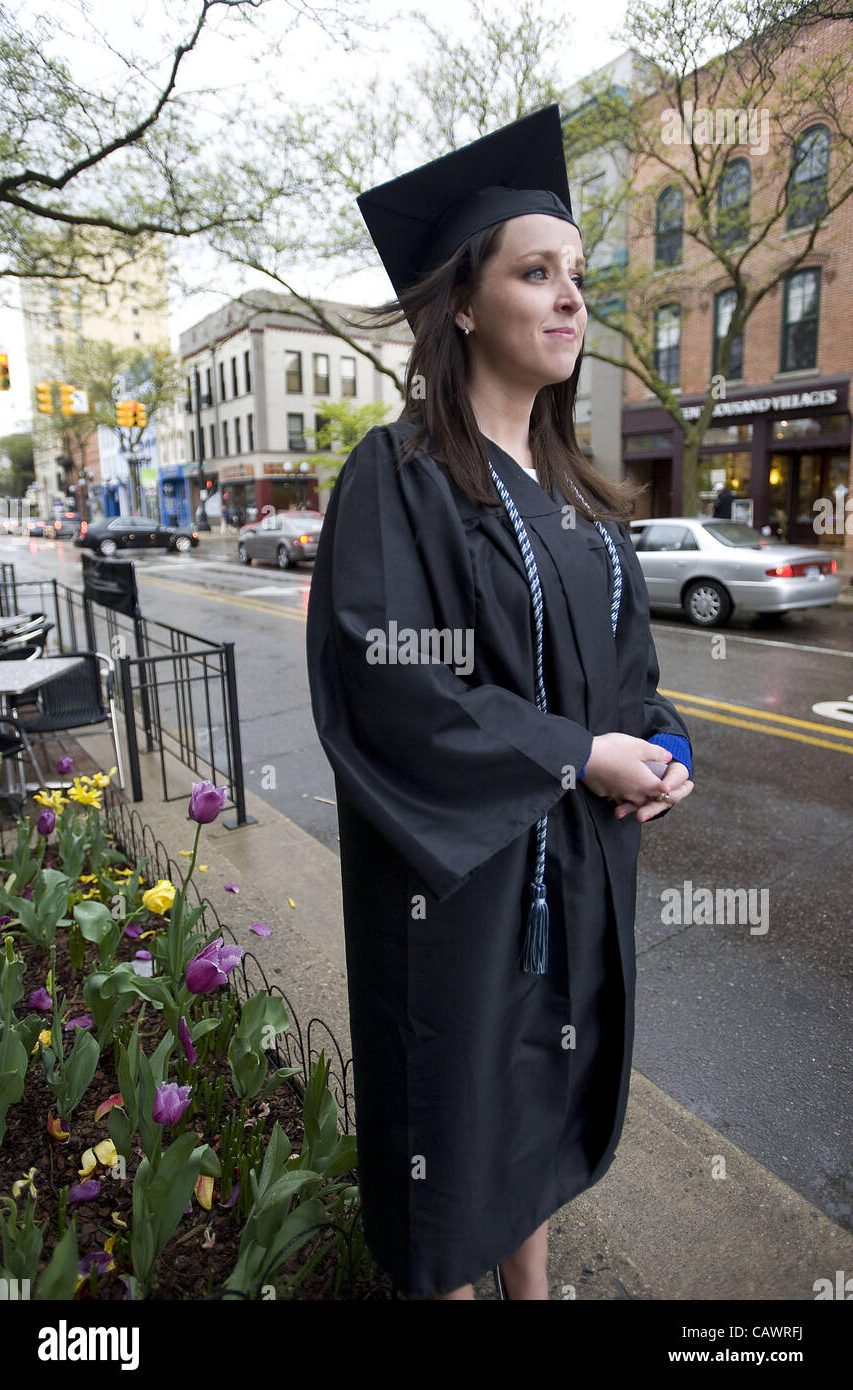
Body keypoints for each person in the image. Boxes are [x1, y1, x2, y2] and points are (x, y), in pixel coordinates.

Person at [306, 105, 694, 1302]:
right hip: (461, 886)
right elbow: (393, 674)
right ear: (464, 305)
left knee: (531, 1097)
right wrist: (579, 755)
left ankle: (531, 1287)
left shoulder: (580, 498)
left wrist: (666, 748)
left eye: (577, 275)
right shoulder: (403, 474)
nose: (572, 298)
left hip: (572, 870)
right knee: (461, 1104)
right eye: (537, 272)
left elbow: (631, 680)